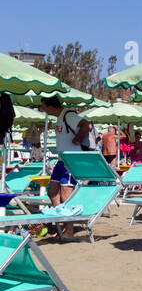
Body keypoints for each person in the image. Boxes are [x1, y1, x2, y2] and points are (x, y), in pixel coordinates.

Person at [40, 95, 92, 235]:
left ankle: (69, 229)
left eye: (43, 105)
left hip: (72, 160)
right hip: (61, 160)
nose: (42, 109)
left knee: (65, 194)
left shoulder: (68, 115)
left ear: (49, 104)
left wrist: (78, 138)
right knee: (52, 191)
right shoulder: (59, 118)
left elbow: (86, 125)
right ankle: (62, 221)